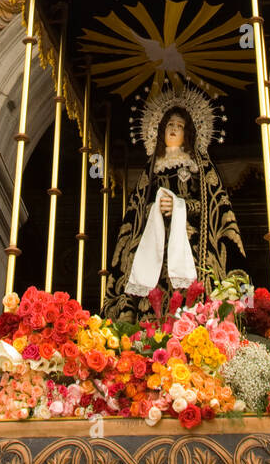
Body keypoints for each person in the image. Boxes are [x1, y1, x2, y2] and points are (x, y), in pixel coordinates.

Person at [104, 85, 246, 321]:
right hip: (154, 246)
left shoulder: (199, 166)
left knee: (189, 296)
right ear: (160, 130)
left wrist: (180, 207)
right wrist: (155, 209)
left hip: (190, 246)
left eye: (180, 126)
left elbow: (212, 206)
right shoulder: (151, 168)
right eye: (170, 125)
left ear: (188, 133)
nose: (174, 129)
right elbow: (135, 212)